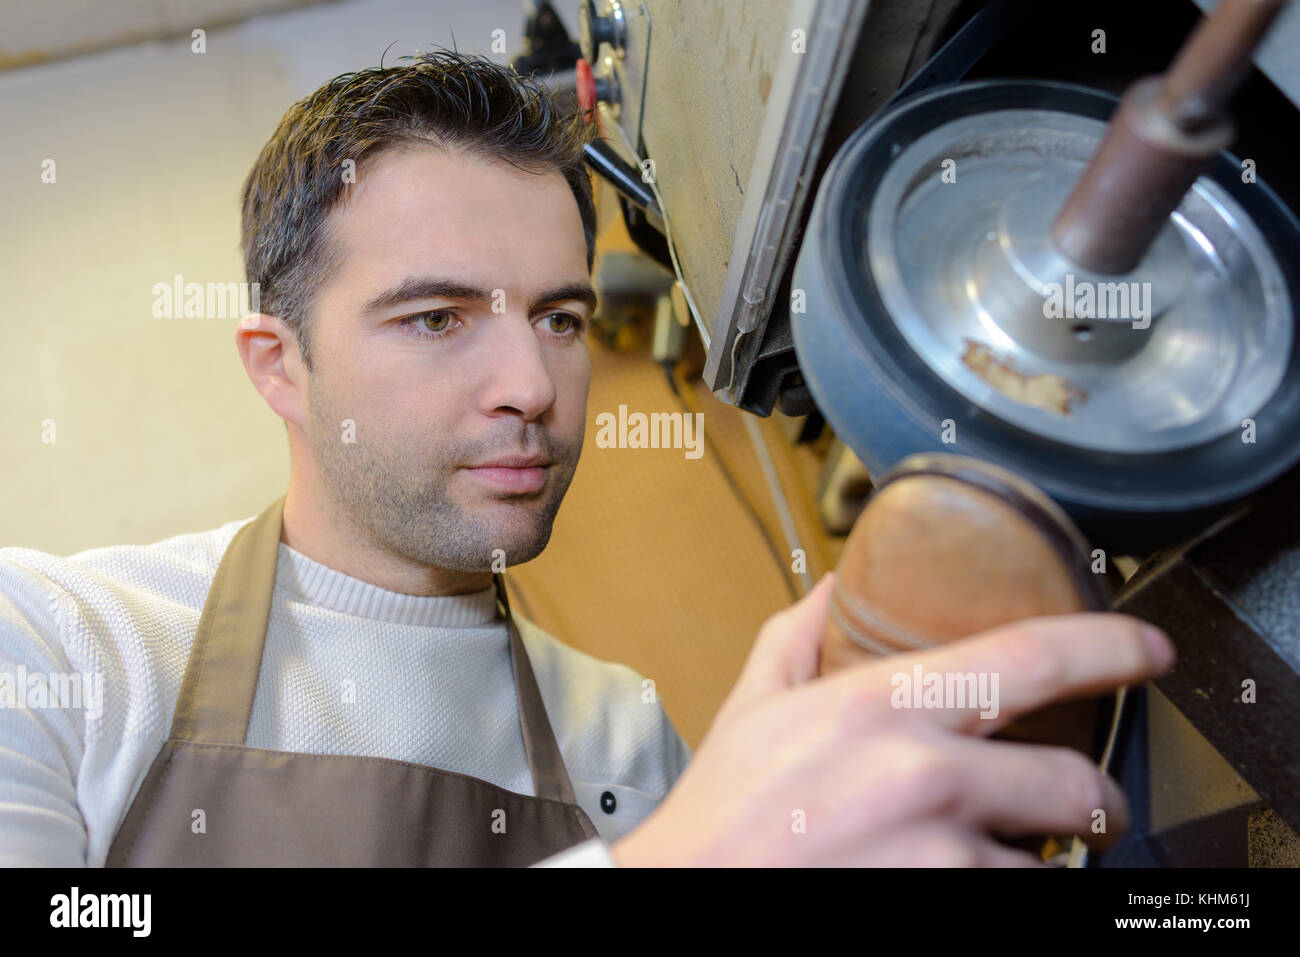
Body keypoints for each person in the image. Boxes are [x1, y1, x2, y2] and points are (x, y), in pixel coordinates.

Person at [0, 49, 1174, 868]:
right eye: (437, 318)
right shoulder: (59, 652)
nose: (531, 387)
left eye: (559, 318)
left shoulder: (621, 732)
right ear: (278, 366)